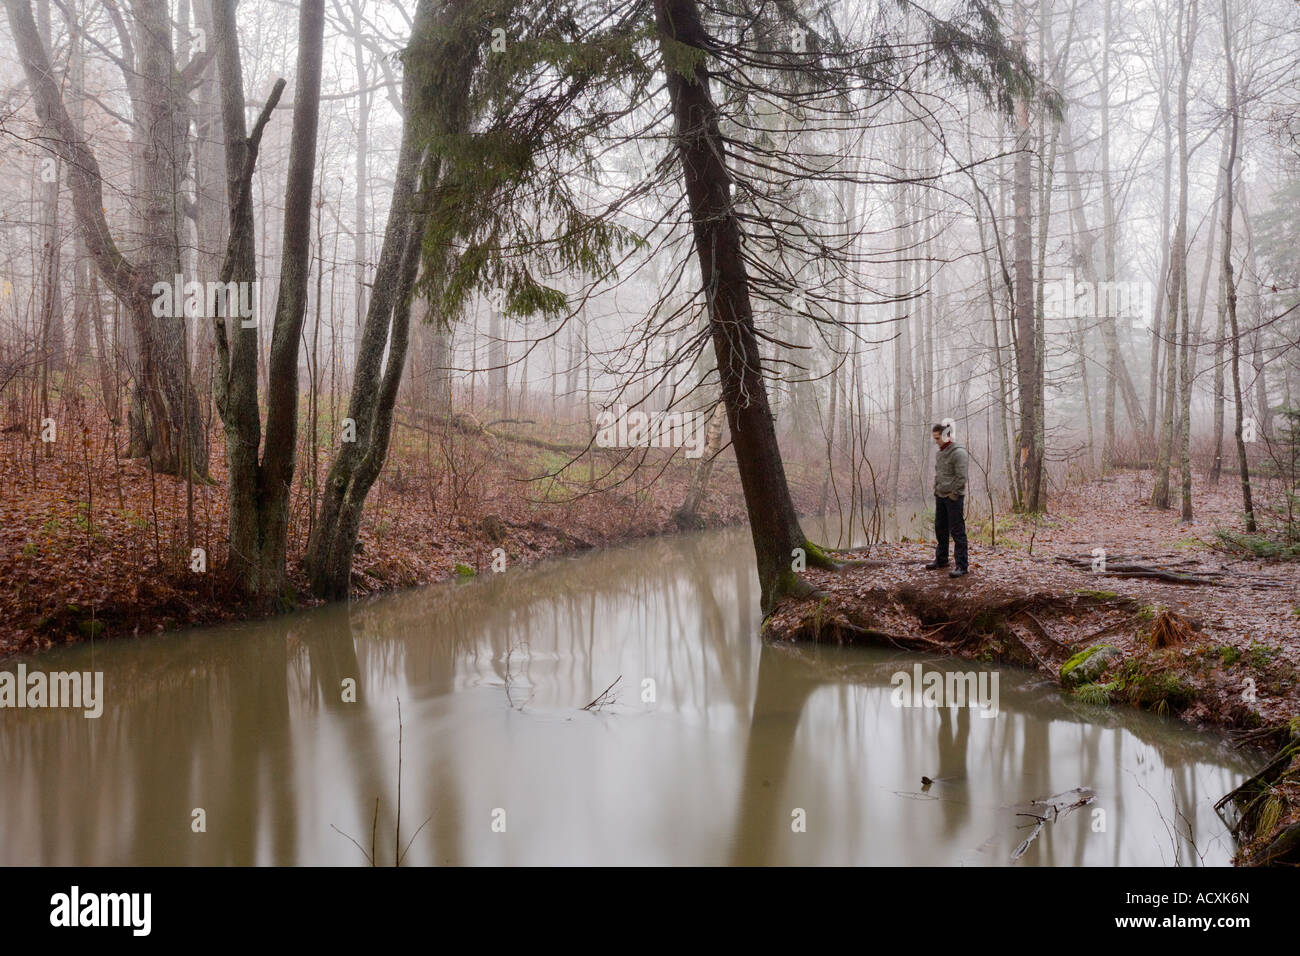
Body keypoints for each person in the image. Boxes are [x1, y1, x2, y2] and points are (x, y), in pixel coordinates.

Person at [926, 422, 969, 578]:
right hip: (941, 496)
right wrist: (937, 491)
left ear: (946, 435)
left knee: (957, 532)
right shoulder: (940, 452)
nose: (936, 441)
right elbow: (939, 474)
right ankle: (942, 559)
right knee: (940, 528)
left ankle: (962, 566)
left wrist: (953, 494)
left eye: (937, 438)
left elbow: (962, 477)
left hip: (954, 498)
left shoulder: (959, 453)